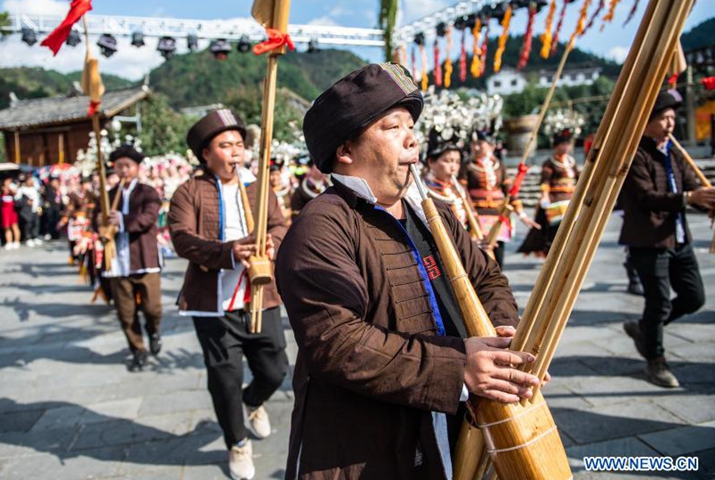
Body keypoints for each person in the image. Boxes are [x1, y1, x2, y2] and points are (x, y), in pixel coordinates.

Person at [276, 63, 542, 480]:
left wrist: (501, 337)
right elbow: (337, 342)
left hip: (459, 422)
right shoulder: (322, 225)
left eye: (411, 124)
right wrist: (457, 369)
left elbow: (486, 278)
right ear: (345, 151)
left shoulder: (434, 211)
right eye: (391, 126)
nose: (412, 138)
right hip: (366, 448)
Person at [168, 109, 289, 480]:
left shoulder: (259, 186)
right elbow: (181, 237)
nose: (235, 152)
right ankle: (237, 442)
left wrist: (273, 242)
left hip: (260, 292)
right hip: (215, 303)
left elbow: (281, 225)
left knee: (275, 369)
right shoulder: (188, 191)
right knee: (224, 378)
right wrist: (225, 251)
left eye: (239, 144)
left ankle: (252, 402)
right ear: (206, 153)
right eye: (225, 145)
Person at [620, 90, 715, 388]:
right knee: (659, 303)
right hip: (648, 241)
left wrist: (710, 202)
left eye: (672, 117)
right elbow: (646, 197)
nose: (670, 124)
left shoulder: (674, 150)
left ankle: (645, 330)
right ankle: (655, 360)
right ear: (648, 122)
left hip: (678, 238)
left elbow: (690, 184)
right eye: (663, 118)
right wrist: (690, 196)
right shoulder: (636, 153)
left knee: (694, 297)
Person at [104, 144, 164, 372]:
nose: (124, 171)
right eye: (119, 167)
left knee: (153, 307)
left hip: (144, 258)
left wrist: (121, 219)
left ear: (137, 167)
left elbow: (148, 218)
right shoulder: (109, 195)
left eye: (128, 166)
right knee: (125, 312)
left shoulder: (147, 192)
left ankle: (154, 329)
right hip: (118, 262)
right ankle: (138, 350)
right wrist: (101, 221)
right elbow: (96, 220)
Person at [459, 129, 538, 269]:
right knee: (481, 256)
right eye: (473, 144)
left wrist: (522, 214)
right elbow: (463, 192)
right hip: (477, 217)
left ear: (491, 146)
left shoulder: (499, 165)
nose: (475, 147)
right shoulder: (466, 166)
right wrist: (472, 214)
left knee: (498, 255)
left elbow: (510, 191)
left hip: (498, 217)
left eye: (480, 144)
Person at [518, 128, 581, 257]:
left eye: (567, 144)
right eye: (562, 144)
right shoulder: (550, 163)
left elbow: (579, 179)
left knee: (573, 225)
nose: (565, 147)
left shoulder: (571, 162)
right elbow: (545, 182)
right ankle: (554, 252)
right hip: (556, 199)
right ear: (556, 146)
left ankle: (570, 251)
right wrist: (545, 196)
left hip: (571, 198)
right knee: (556, 227)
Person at [423, 130, 473, 232]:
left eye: (457, 162)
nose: (453, 167)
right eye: (448, 161)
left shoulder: (459, 189)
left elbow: (473, 215)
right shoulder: (424, 191)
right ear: (431, 162)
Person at [16, 174, 42, 247]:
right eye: (29, 180)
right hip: (26, 211)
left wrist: (39, 209)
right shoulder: (22, 189)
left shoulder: (35, 189)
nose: (31, 182)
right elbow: (17, 200)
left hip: (35, 209)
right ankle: (28, 238)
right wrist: (26, 201)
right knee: (28, 224)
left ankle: (35, 236)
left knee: (36, 223)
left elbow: (39, 200)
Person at [0, 178, 21, 250]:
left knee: (14, 226)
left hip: (12, 211)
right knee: (6, 227)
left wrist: (9, 188)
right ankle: (9, 242)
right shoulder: (1, 190)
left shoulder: (12, 189)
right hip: (5, 211)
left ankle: (16, 241)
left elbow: (15, 193)